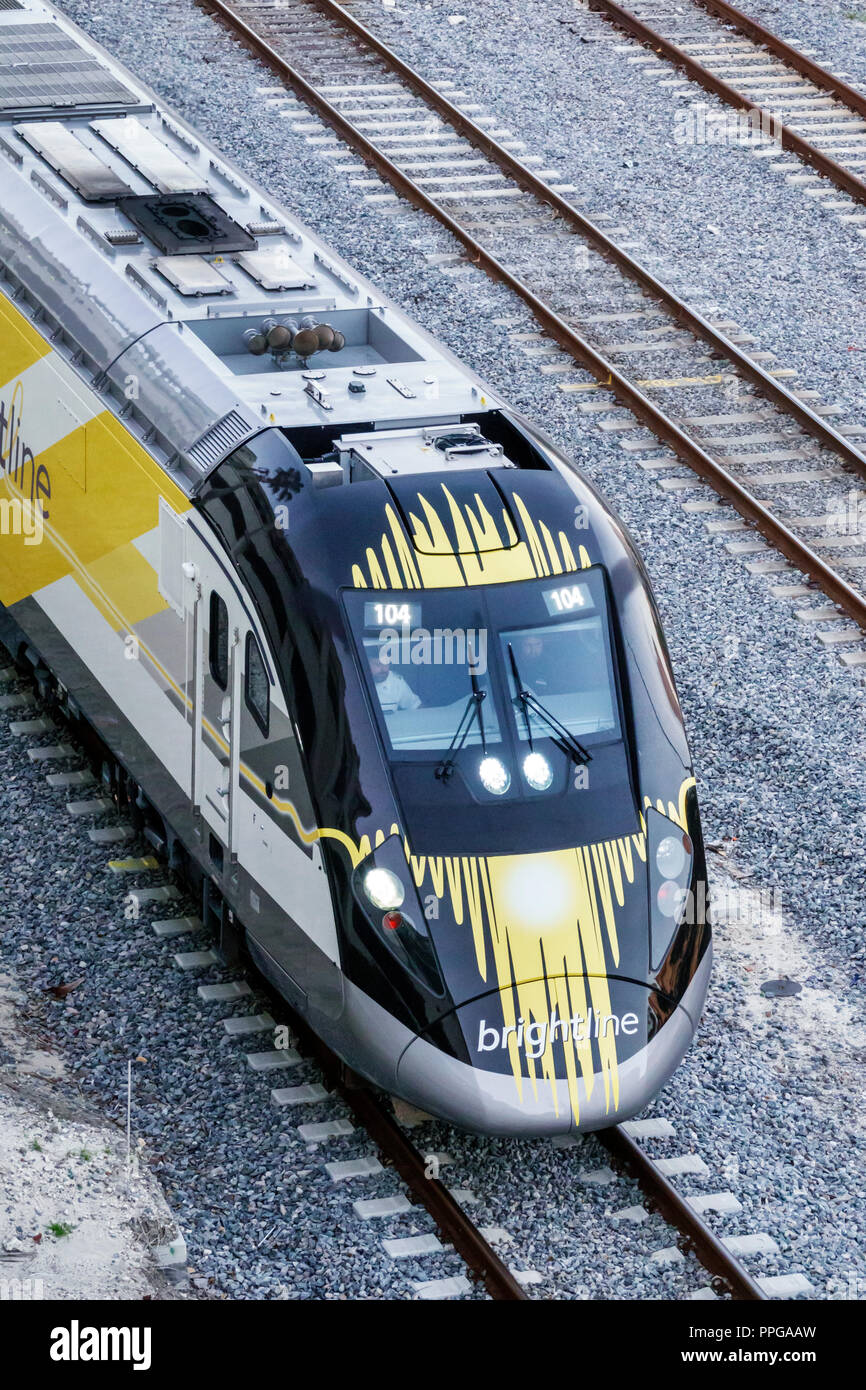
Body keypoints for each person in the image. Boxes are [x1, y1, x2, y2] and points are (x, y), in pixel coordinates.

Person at [368, 648, 421, 713]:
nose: (384, 669)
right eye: (378, 665)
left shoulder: (395, 681)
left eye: (386, 664)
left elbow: (415, 707)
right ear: (366, 664)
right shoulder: (355, 682)